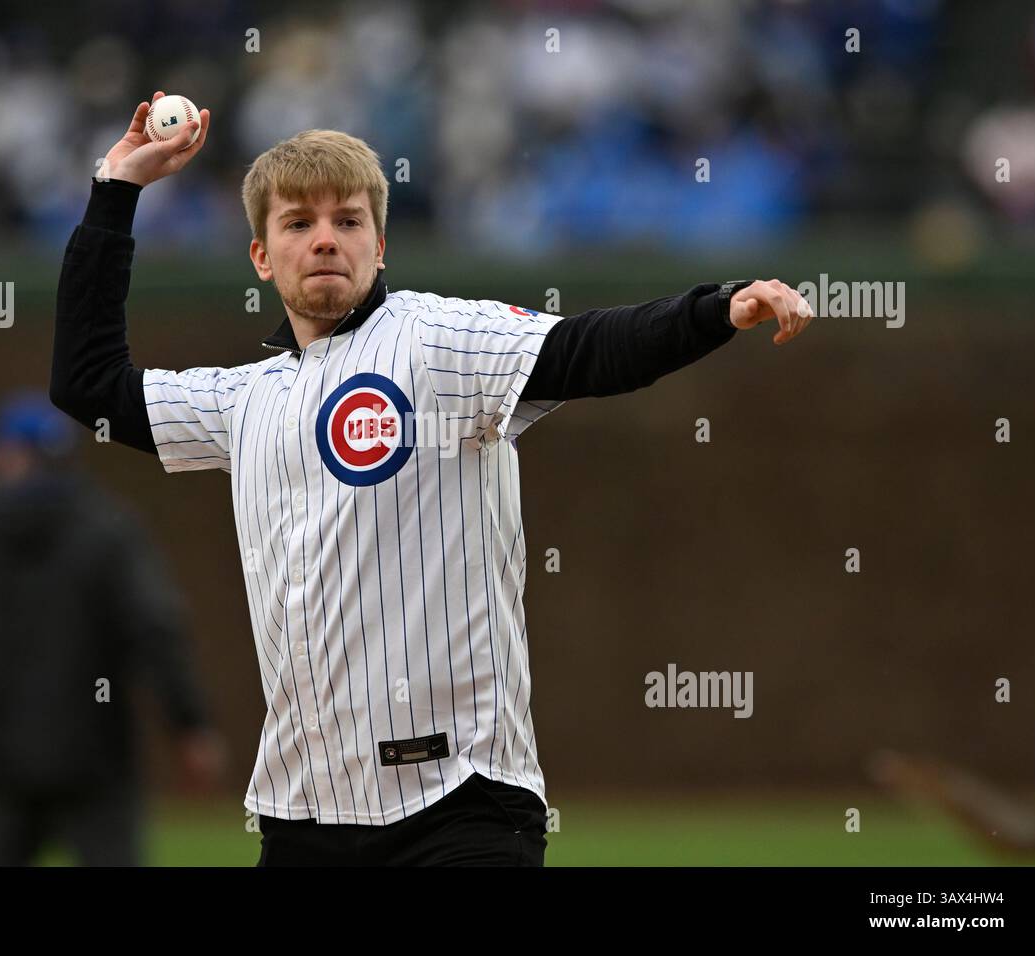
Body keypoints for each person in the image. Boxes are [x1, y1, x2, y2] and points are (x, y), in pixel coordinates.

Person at [50, 93, 813, 866]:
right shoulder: (245, 401)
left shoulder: (435, 340)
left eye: (347, 221)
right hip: (302, 814)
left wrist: (714, 311)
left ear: (380, 246)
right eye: (298, 223)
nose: (324, 240)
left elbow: (588, 349)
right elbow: (88, 383)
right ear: (260, 255)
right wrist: (116, 189)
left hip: (461, 808)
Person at [0, 392, 224, 866]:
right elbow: (157, 632)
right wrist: (189, 727)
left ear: (4, 455)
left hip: (2, 760)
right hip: (97, 759)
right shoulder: (111, 531)